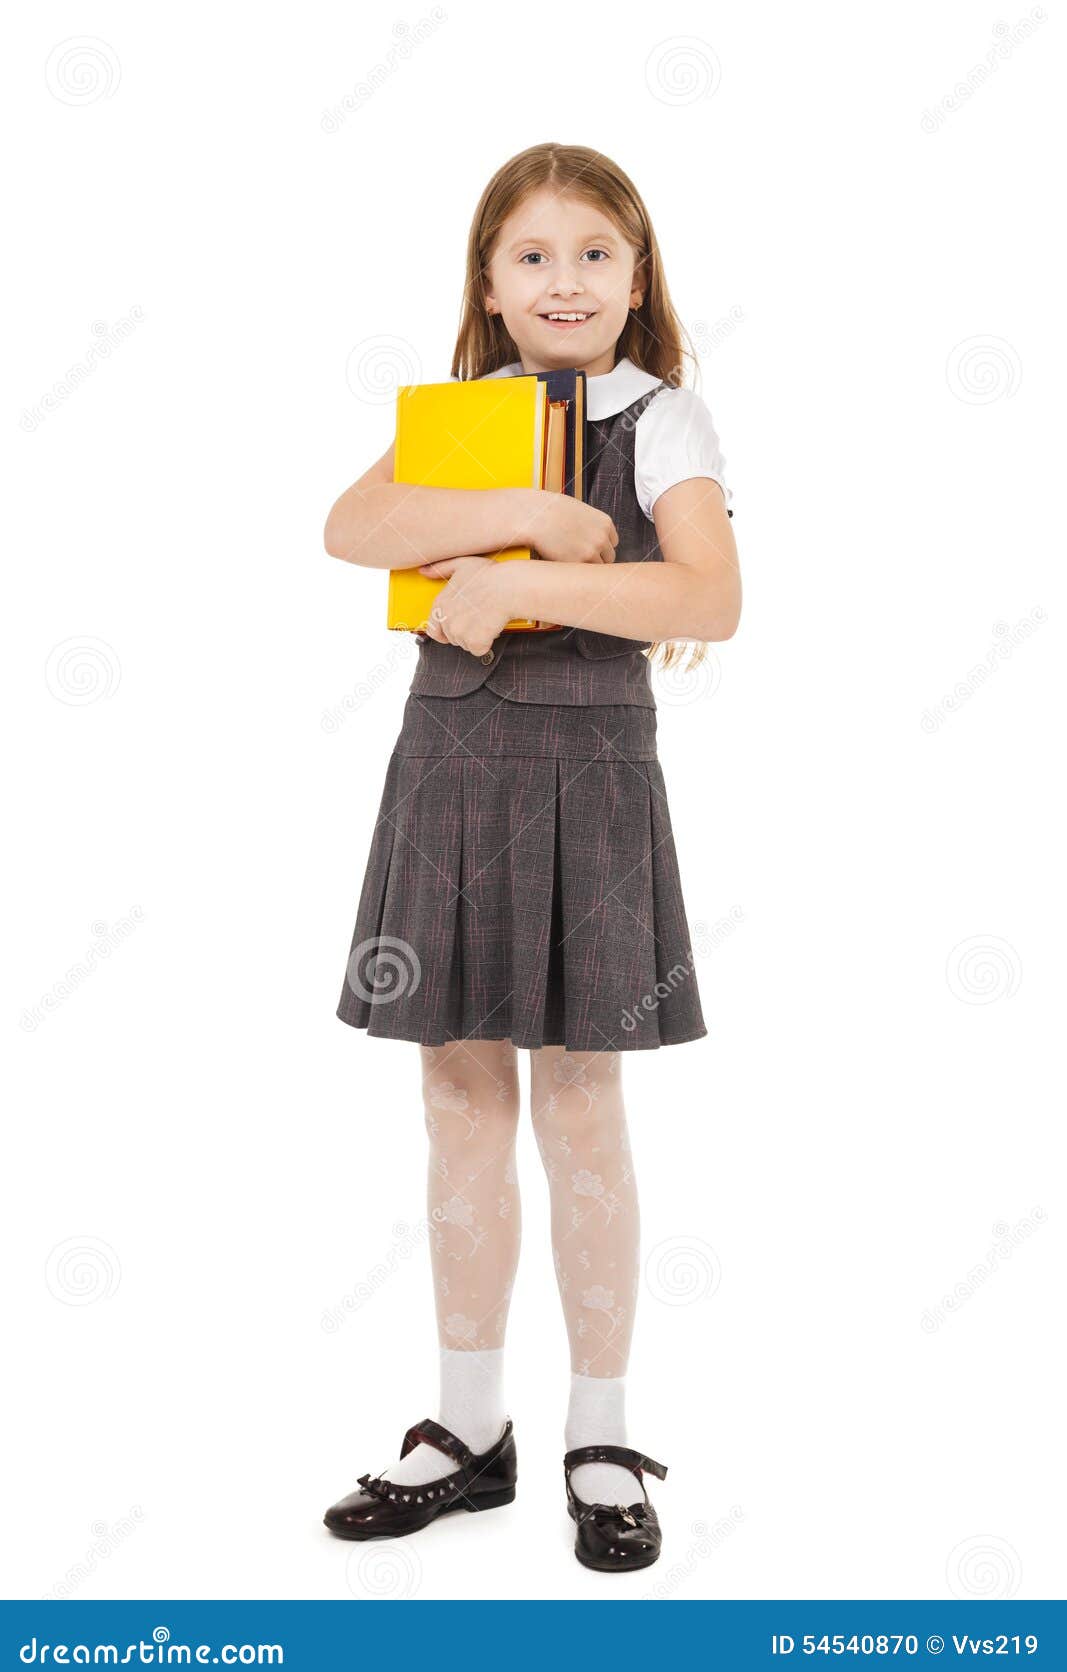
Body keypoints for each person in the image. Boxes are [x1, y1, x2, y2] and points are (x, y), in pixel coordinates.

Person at [321, 142, 740, 1573]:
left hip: (592, 783)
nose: (567, 280)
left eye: (596, 255)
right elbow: (353, 526)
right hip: (450, 770)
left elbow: (707, 594)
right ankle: (467, 1425)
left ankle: (601, 1430)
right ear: (491, 287)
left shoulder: (664, 416)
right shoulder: (473, 418)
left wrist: (529, 581)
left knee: (578, 1099)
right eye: (534, 257)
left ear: (637, 278)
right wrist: (526, 516)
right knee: (454, 1092)